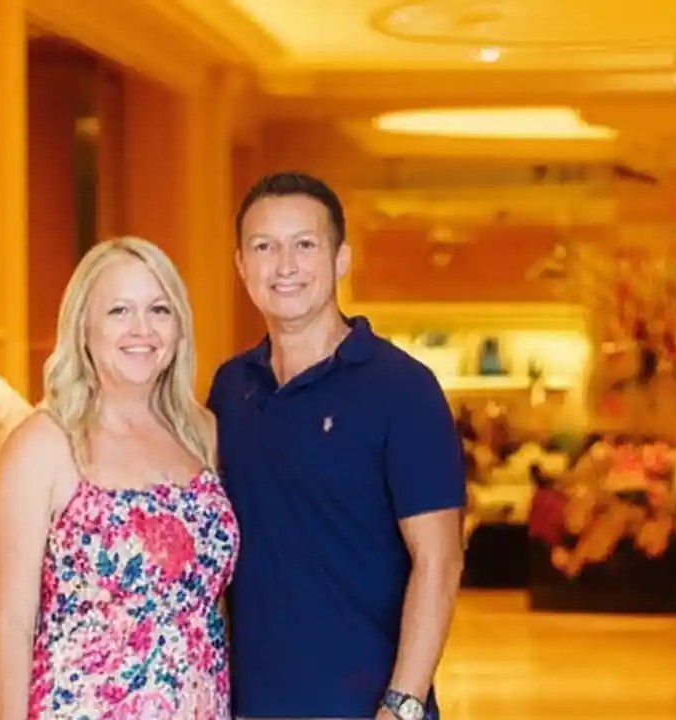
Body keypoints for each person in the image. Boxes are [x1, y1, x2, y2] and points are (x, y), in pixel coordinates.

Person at [208, 172, 466, 720]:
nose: (284, 267)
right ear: (240, 265)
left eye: (304, 244)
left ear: (341, 258)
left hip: (367, 706)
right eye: (263, 247)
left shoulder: (402, 388)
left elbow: (439, 561)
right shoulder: (231, 388)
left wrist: (403, 704)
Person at [0, 237, 239, 719]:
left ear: (179, 326)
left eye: (159, 310)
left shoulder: (201, 433)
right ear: (83, 327)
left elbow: (215, 606)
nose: (141, 329)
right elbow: (10, 626)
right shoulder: (43, 445)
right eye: (119, 310)